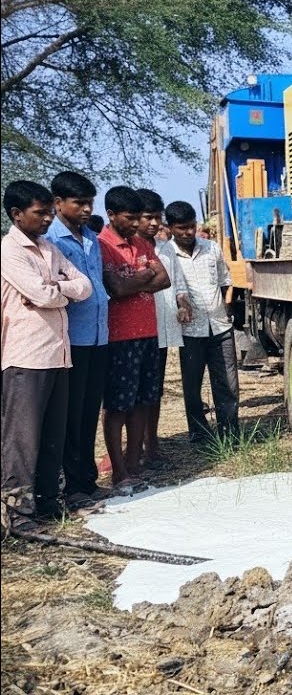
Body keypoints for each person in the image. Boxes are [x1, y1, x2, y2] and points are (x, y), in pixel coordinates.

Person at [1, 181, 92, 533]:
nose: (47, 219)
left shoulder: (50, 249)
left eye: (49, 213)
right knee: (22, 440)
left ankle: (48, 504)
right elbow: (41, 293)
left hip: (58, 354)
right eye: (40, 213)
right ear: (16, 214)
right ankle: (18, 515)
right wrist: (54, 290)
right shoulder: (10, 251)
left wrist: (58, 290)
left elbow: (83, 286)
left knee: (53, 434)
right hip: (26, 356)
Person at [45, 172, 113, 507]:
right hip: (71, 340)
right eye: (79, 203)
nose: (87, 209)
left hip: (99, 336)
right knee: (70, 416)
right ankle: (71, 487)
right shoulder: (51, 242)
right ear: (58, 203)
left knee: (88, 412)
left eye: (90, 203)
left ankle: (87, 480)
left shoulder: (90, 238)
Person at [100, 186, 171, 489]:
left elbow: (164, 279)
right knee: (118, 405)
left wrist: (132, 280)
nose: (134, 224)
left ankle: (134, 463)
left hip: (148, 332)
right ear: (112, 215)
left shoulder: (141, 243)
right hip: (120, 337)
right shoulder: (103, 245)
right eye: (130, 218)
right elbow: (115, 288)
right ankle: (118, 470)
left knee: (144, 400)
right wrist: (143, 277)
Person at [164, 201, 238, 443]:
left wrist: (226, 308)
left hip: (220, 326)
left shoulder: (211, 248)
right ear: (171, 227)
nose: (187, 232)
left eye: (191, 226)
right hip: (190, 331)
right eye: (181, 228)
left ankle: (230, 434)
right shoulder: (165, 254)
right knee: (192, 386)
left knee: (227, 383)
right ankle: (199, 434)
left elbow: (226, 281)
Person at [137, 190, 191, 469]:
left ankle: (152, 445)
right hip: (136, 330)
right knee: (132, 394)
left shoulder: (166, 248)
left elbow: (177, 282)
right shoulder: (131, 248)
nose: (155, 223)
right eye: (149, 217)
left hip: (162, 327)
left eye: (158, 218)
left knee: (153, 390)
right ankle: (129, 449)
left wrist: (182, 302)